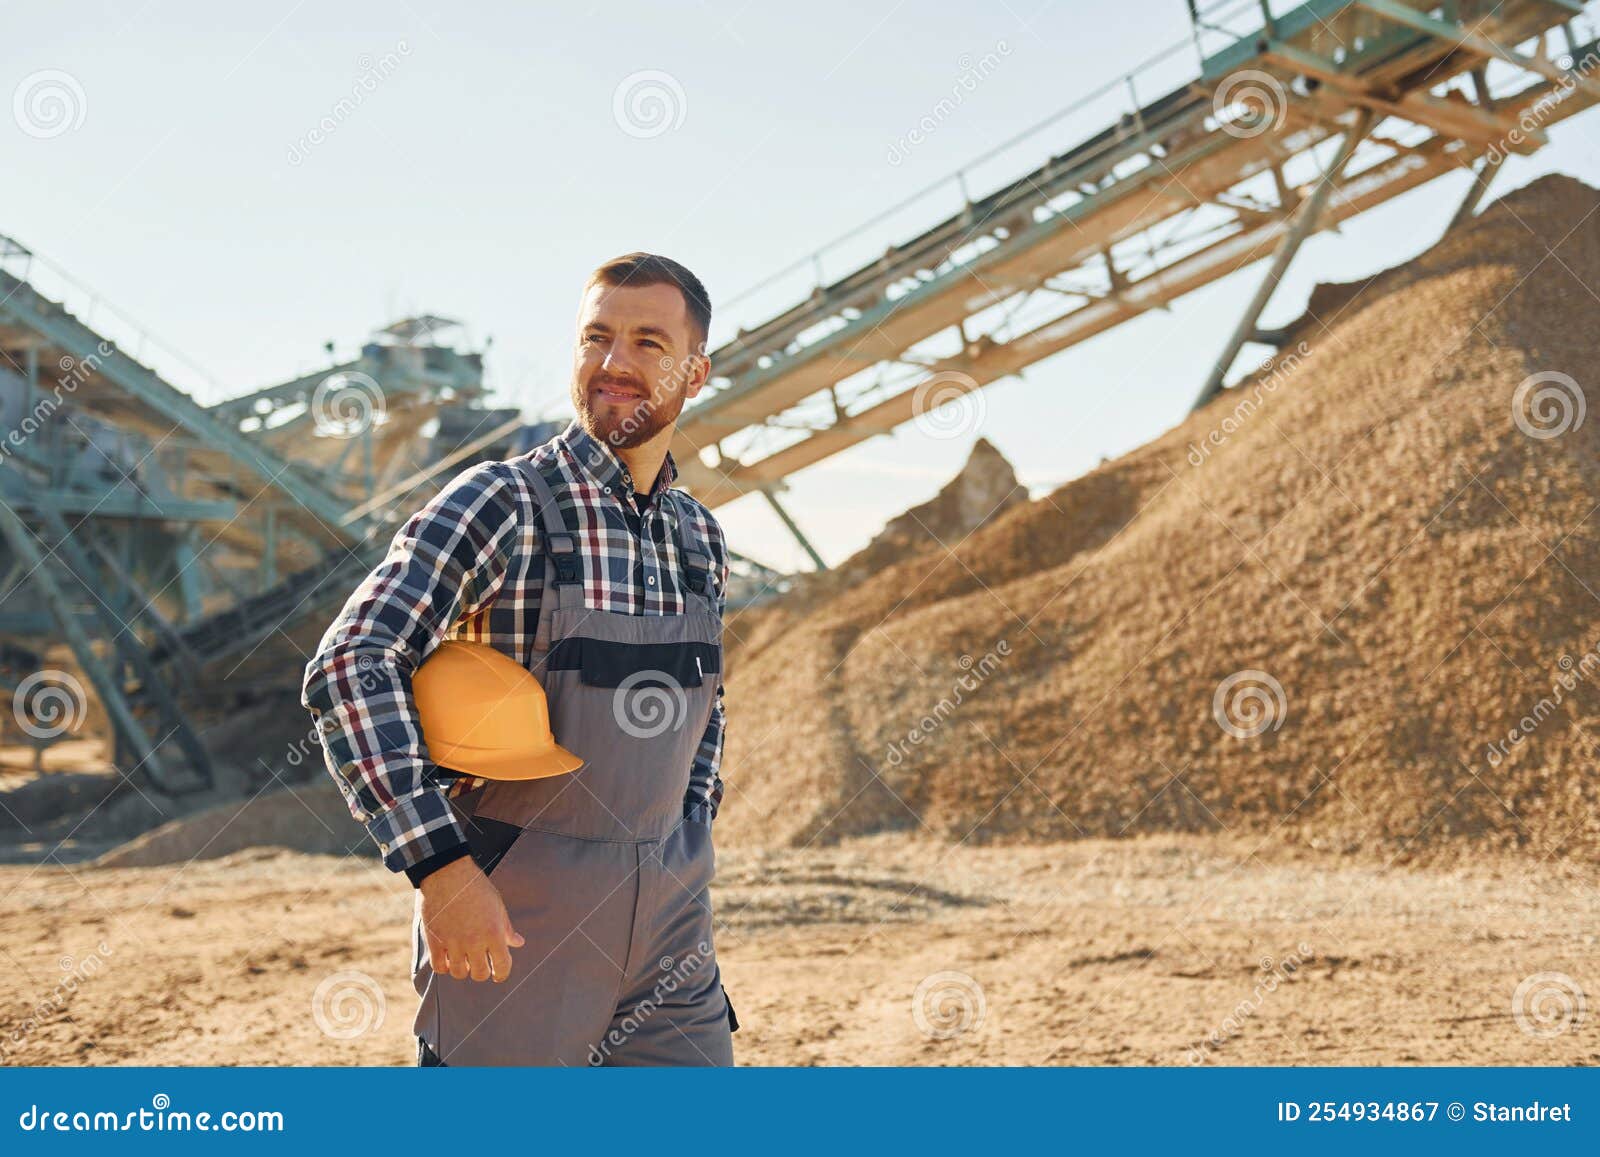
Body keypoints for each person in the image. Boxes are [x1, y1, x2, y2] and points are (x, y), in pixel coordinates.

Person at [301, 253, 736, 1066]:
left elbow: (708, 707)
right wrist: (439, 866)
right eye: (597, 337)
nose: (615, 362)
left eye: (648, 342)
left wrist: (693, 832)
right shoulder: (504, 503)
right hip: (516, 923)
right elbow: (352, 662)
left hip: (672, 927)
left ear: (696, 373)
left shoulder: (698, 536)